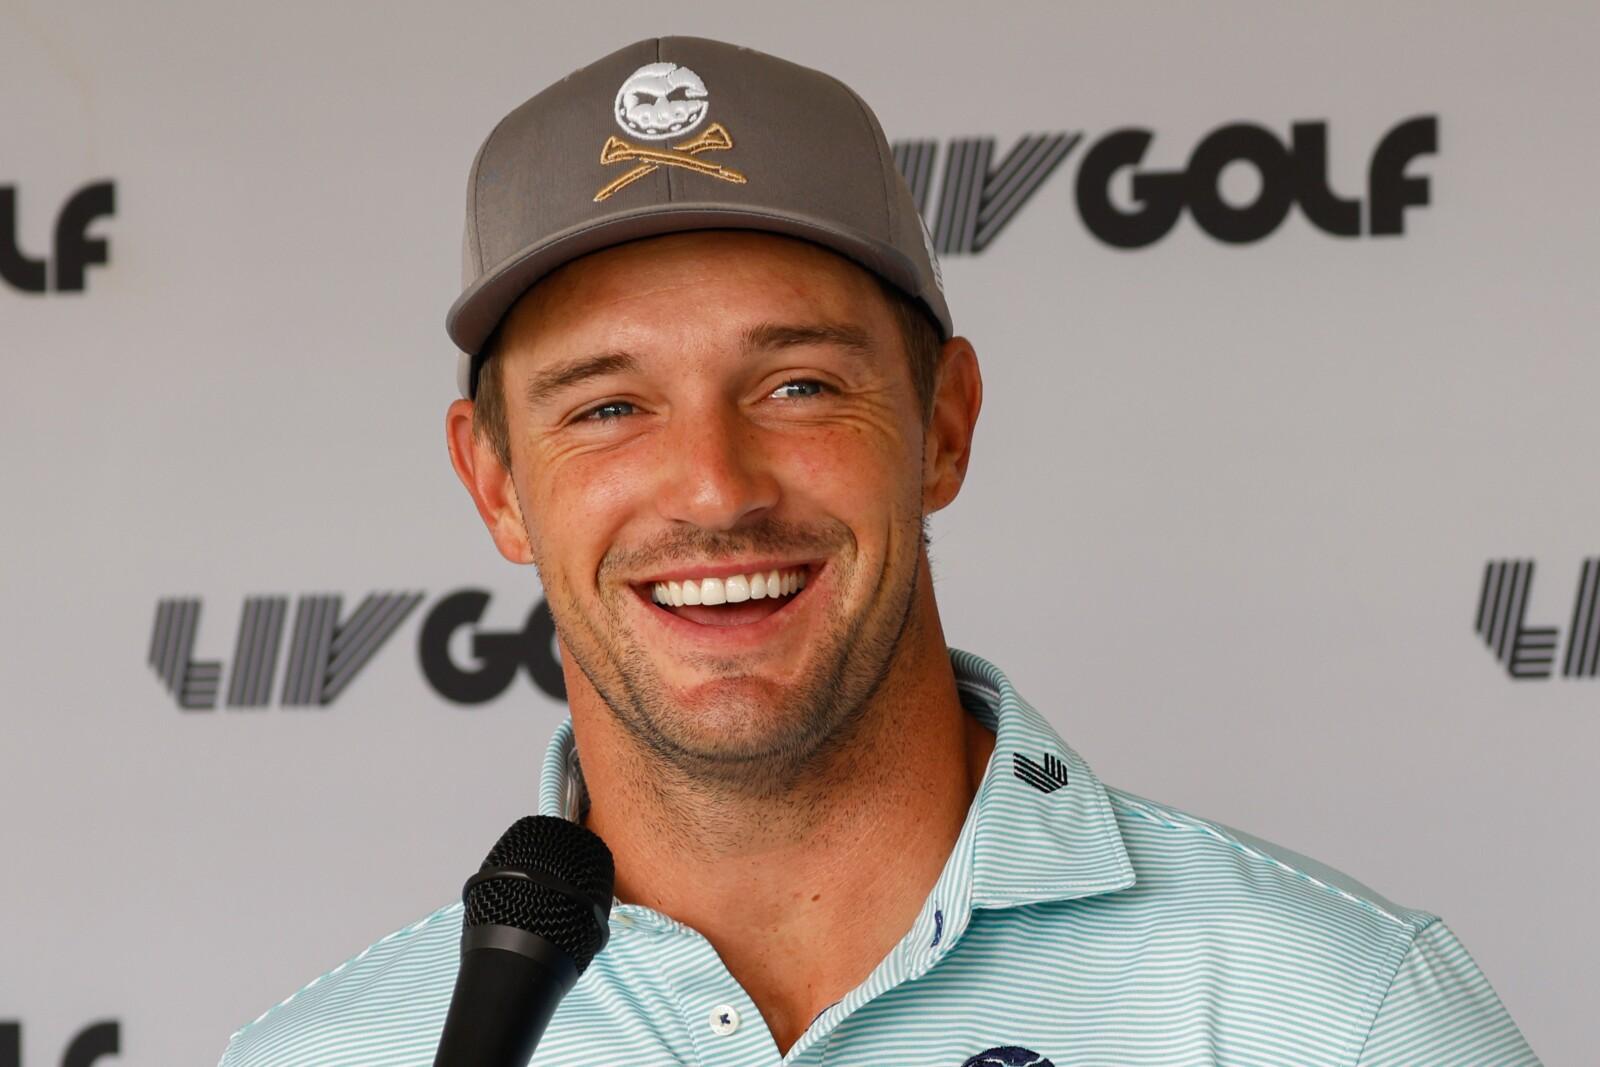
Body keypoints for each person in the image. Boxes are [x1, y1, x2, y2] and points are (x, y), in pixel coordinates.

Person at [220, 36, 1540, 1067]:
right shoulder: (327, 1059)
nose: (715, 487)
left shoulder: (1336, 1017)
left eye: (798, 385)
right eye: (609, 407)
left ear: (942, 427)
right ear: (496, 485)